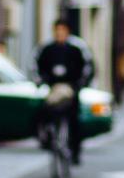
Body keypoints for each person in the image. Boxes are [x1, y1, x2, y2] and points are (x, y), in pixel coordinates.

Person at [34, 19, 91, 165]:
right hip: (53, 89)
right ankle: (47, 139)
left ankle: (75, 152)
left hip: (71, 89)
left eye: (62, 30)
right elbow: (39, 67)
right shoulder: (47, 50)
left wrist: (79, 83)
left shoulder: (75, 50)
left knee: (74, 120)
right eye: (57, 30)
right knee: (43, 113)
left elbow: (85, 69)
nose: (59, 33)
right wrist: (42, 80)